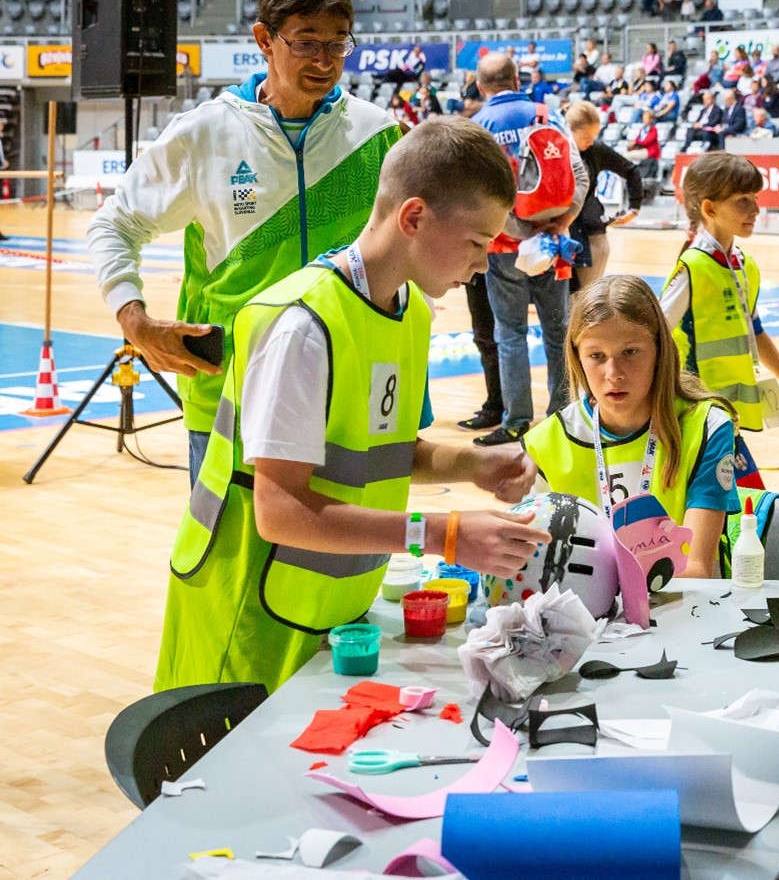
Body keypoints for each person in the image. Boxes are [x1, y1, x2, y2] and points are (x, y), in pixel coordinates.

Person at [157, 117, 554, 693]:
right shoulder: (302, 326)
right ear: (413, 217)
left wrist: (471, 465)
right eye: (475, 242)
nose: (481, 264)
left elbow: (381, 452)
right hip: (246, 616)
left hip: (334, 607)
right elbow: (280, 511)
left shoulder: (411, 311)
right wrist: (443, 535)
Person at [89, 0, 401, 485]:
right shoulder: (205, 132)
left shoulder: (378, 134)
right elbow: (114, 225)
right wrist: (134, 321)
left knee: (338, 557)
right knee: (223, 563)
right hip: (230, 392)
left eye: (338, 43)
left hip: (347, 391)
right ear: (264, 40)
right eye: (306, 42)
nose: (325, 60)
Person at [522, 275, 739, 578]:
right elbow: (536, 563)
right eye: (597, 356)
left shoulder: (707, 427)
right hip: (585, 613)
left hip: (686, 607)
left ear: (659, 351)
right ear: (577, 357)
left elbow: (696, 567)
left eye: (630, 352)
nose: (614, 373)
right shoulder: (545, 442)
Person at [660, 152, 779, 487]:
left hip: (725, 414)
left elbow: (755, 333)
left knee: (739, 508)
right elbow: (652, 337)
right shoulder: (692, 267)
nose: (756, 210)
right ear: (709, 208)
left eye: (756, 199)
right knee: (746, 501)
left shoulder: (744, 266)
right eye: (742, 201)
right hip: (692, 412)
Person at [471, 52, 589, 446]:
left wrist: (518, 232)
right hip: (553, 245)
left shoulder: (480, 127)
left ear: (481, 86)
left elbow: (481, 195)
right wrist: (561, 224)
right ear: (518, 80)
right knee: (558, 333)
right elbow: (581, 175)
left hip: (505, 246)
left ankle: (517, 420)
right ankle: (563, 419)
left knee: (511, 333)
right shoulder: (548, 114)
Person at [565, 102, 641, 291]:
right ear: (569, 129)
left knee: (583, 302)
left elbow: (632, 170)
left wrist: (634, 207)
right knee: (560, 306)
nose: (590, 142)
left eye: (594, 136)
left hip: (591, 236)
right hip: (561, 234)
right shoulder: (556, 150)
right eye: (585, 137)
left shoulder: (595, 150)